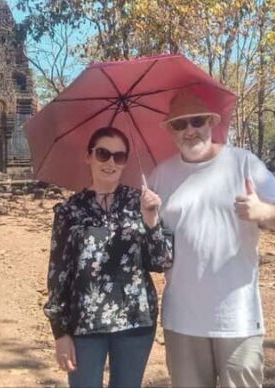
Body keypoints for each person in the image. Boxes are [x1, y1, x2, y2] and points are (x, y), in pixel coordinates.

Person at [148, 90, 275, 388]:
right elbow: (150, 243)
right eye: (180, 124)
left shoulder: (243, 163)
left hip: (237, 316)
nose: (190, 130)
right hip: (182, 319)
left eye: (197, 121)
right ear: (170, 131)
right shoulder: (159, 176)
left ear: (212, 122)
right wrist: (148, 220)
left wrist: (263, 211)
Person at [44, 126, 174, 388]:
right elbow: (58, 273)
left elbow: (161, 262)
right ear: (89, 156)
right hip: (84, 322)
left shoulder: (140, 201)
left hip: (135, 320)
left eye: (120, 156)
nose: (111, 162)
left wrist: (151, 222)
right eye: (103, 154)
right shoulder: (70, 210)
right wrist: (60, 332)